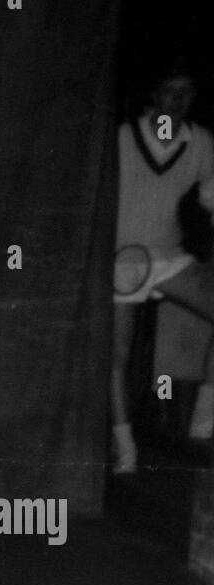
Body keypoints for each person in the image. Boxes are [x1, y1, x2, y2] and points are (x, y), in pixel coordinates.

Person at [112, 63, 214, 474]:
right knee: (116, 351)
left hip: (168, 256)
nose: (178, 99)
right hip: (121, 258)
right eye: (170, 91)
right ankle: (126, 451)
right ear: (154, 96)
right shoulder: (119, 137)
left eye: (186, 91)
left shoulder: (202, 142)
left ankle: (203, 425)